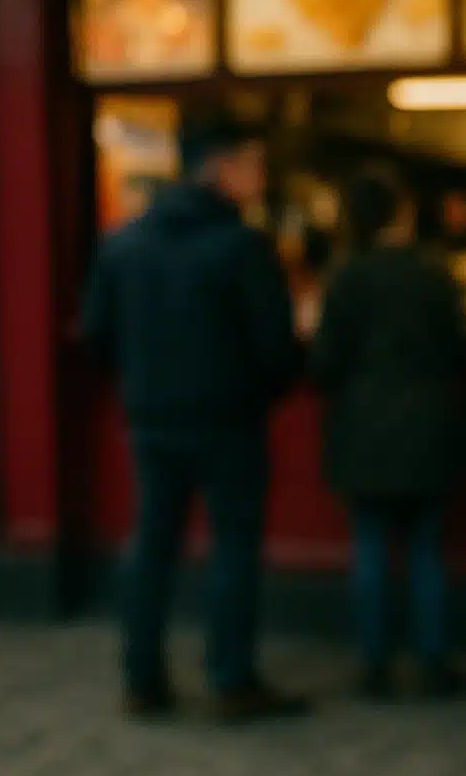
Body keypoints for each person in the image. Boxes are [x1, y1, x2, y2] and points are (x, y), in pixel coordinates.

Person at [80, 115, 306, 721]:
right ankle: (231, 680)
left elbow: (95, 334)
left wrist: (141, 384)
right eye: (253, 162)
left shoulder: (123, 241)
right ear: (221, 166)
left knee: (150, 545)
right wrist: (256, 392)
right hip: (229, 422)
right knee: (232, 549)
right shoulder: (242, 247)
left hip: (152, 418)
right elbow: (276, 348)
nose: (260, 177)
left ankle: (142, 678)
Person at [312, 167, 466, 699]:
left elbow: (325, 360)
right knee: (427, 548)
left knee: (372, 547)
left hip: (363, 428)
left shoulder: (344, 277)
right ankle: (432, 663)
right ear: (398, 213)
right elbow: (457, 349)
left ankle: (374, 664)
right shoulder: (433, 274)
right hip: (427, 424)